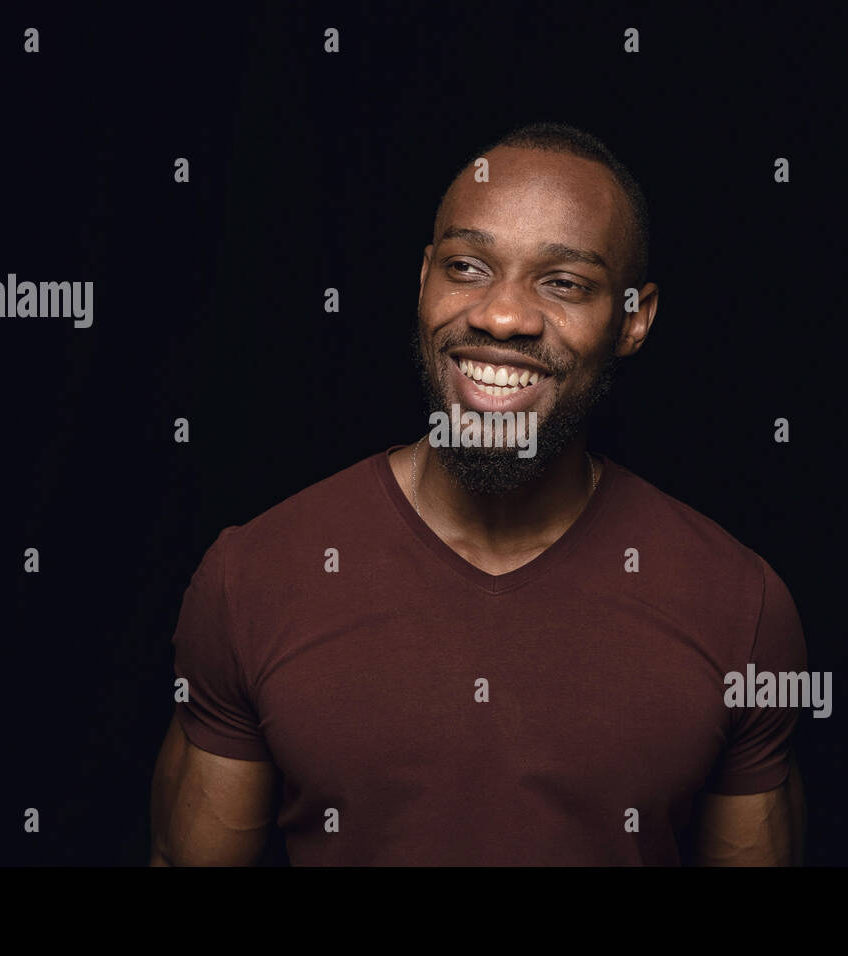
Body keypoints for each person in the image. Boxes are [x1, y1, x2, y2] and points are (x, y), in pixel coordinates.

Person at [149, 122, 807, 866]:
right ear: (423, 278)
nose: (502, 316)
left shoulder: (738, 605)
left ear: (634, 319)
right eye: (467, 267)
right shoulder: (254, 575)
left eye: (564, 283)